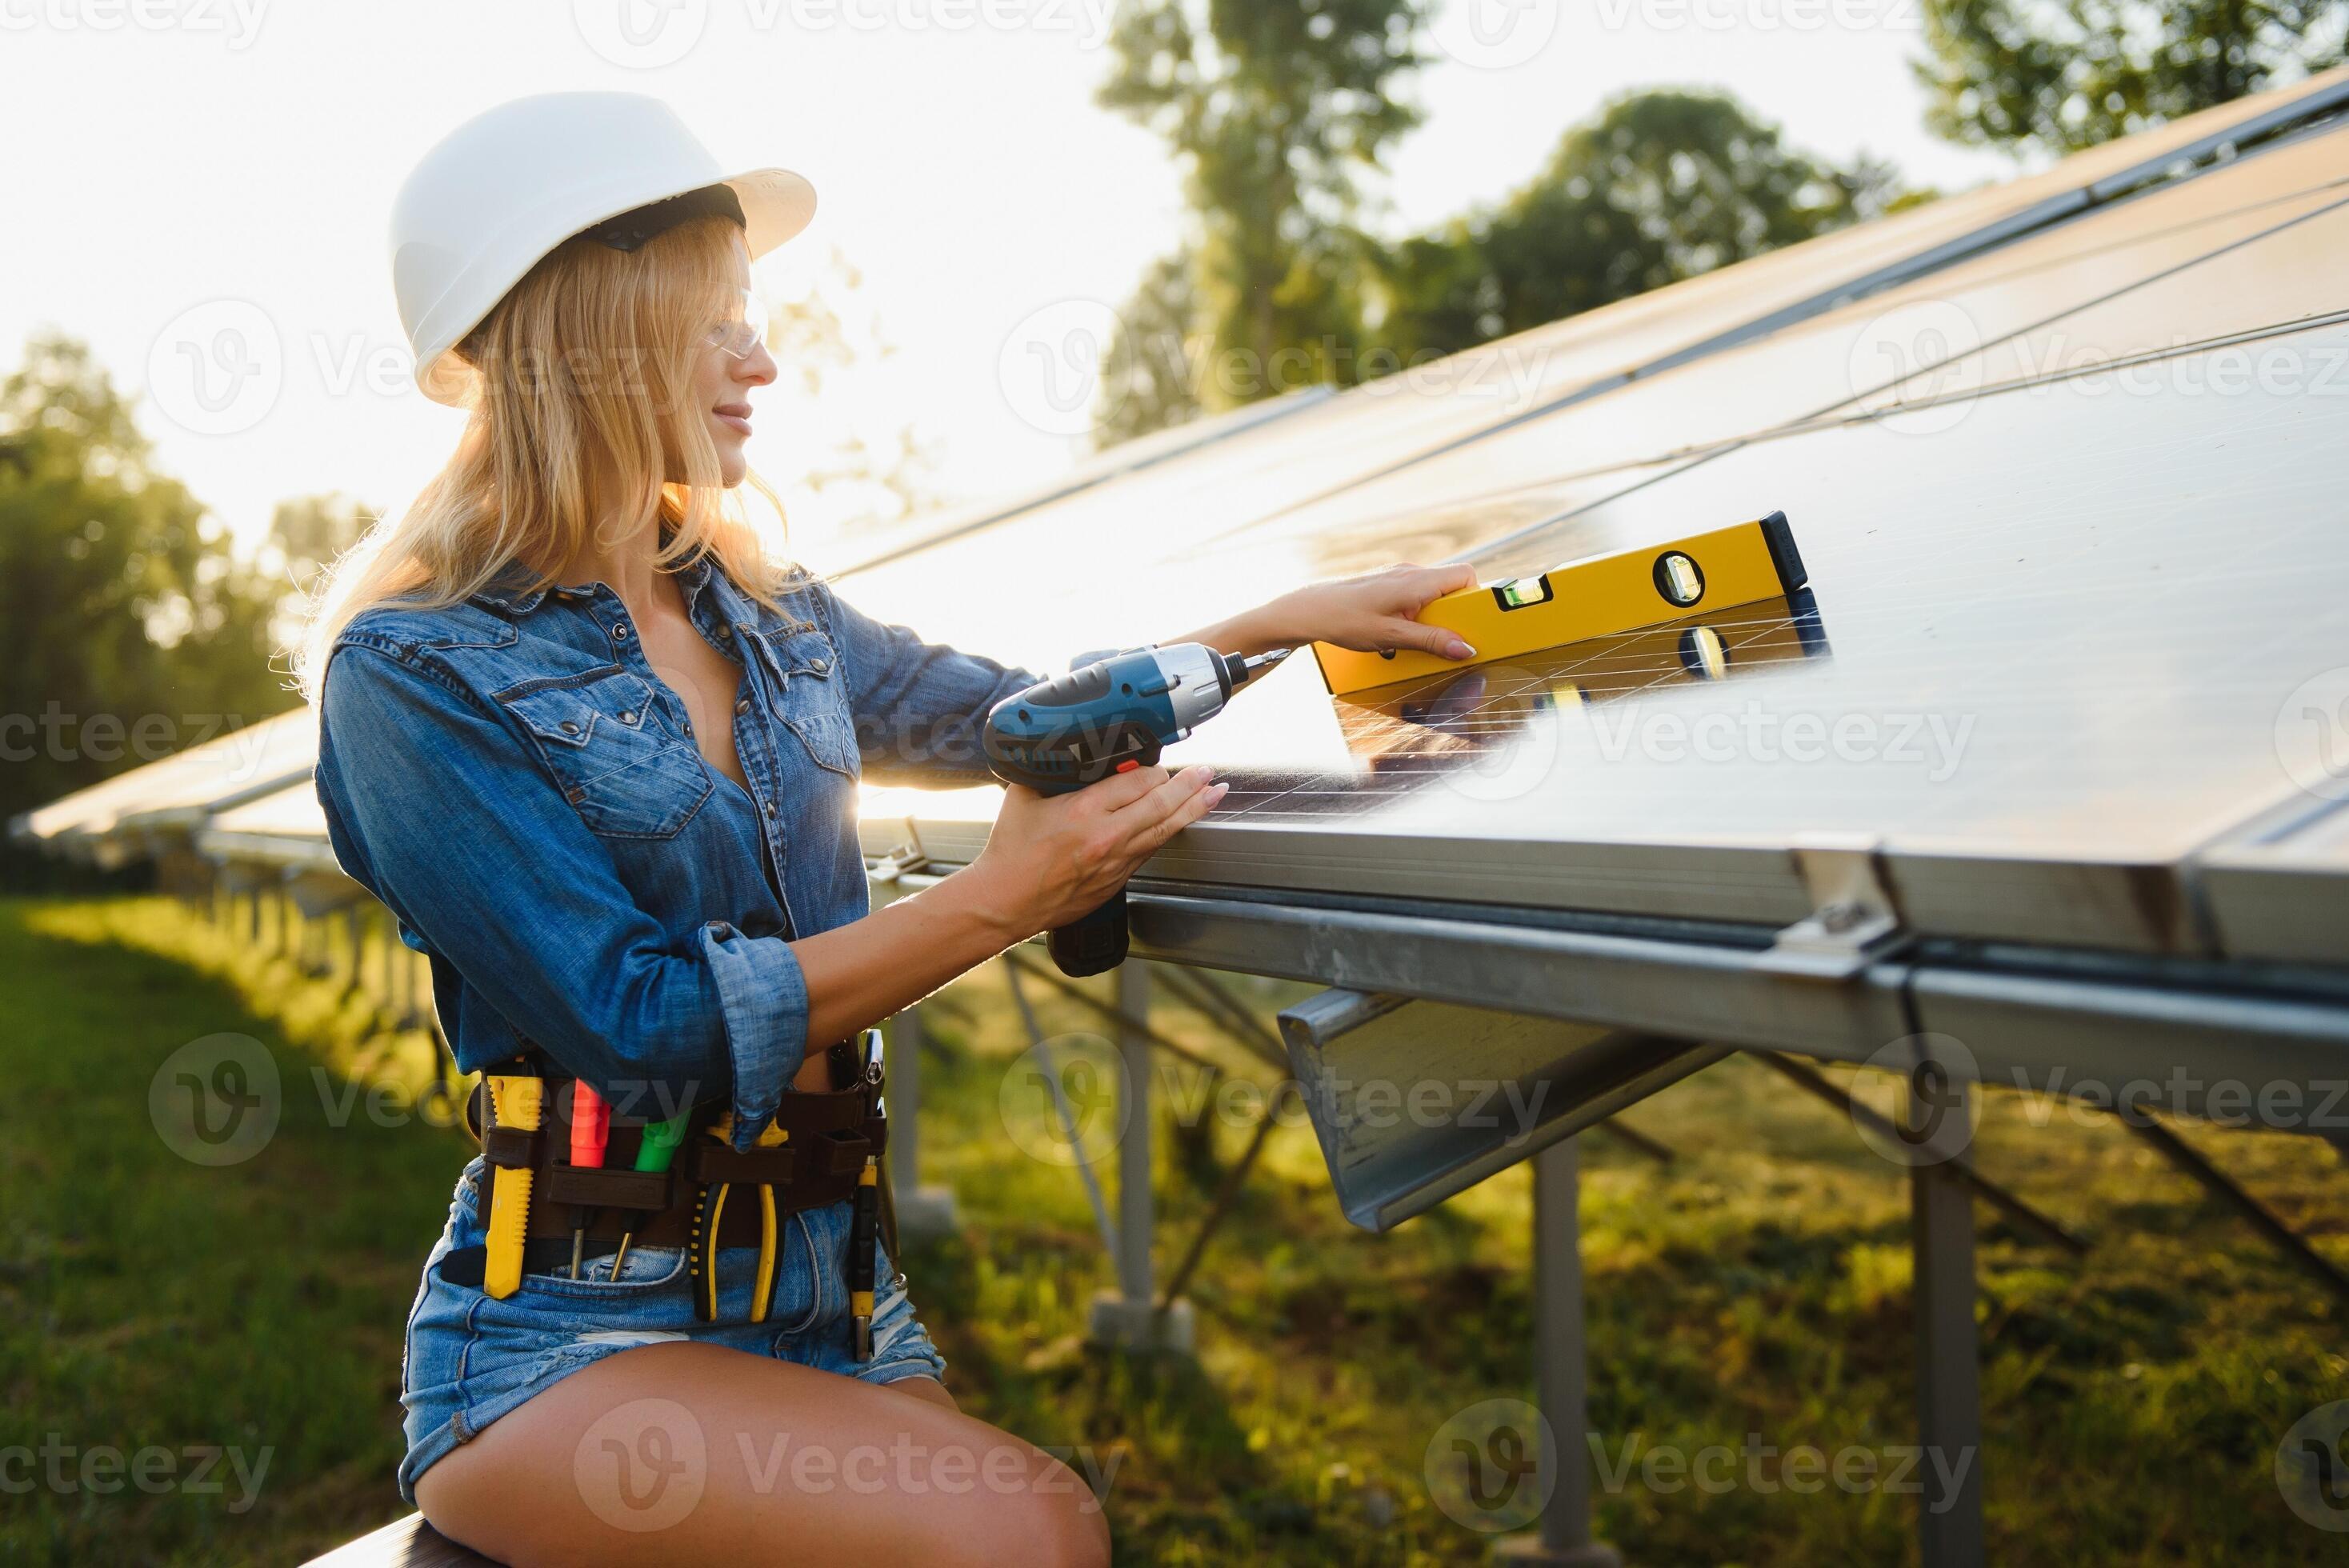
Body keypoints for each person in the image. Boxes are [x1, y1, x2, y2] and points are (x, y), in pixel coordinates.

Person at [302, 93, 1475, 1567]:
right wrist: (1004, 900)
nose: (763, 360)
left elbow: (999, 720)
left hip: (834, 1291)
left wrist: (1255, 637)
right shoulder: (412, 678)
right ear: (592, 333)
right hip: (569, 1339)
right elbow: (644, 1029)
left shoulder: (768, 611)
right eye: (717, 319)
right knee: (1032, 1534)